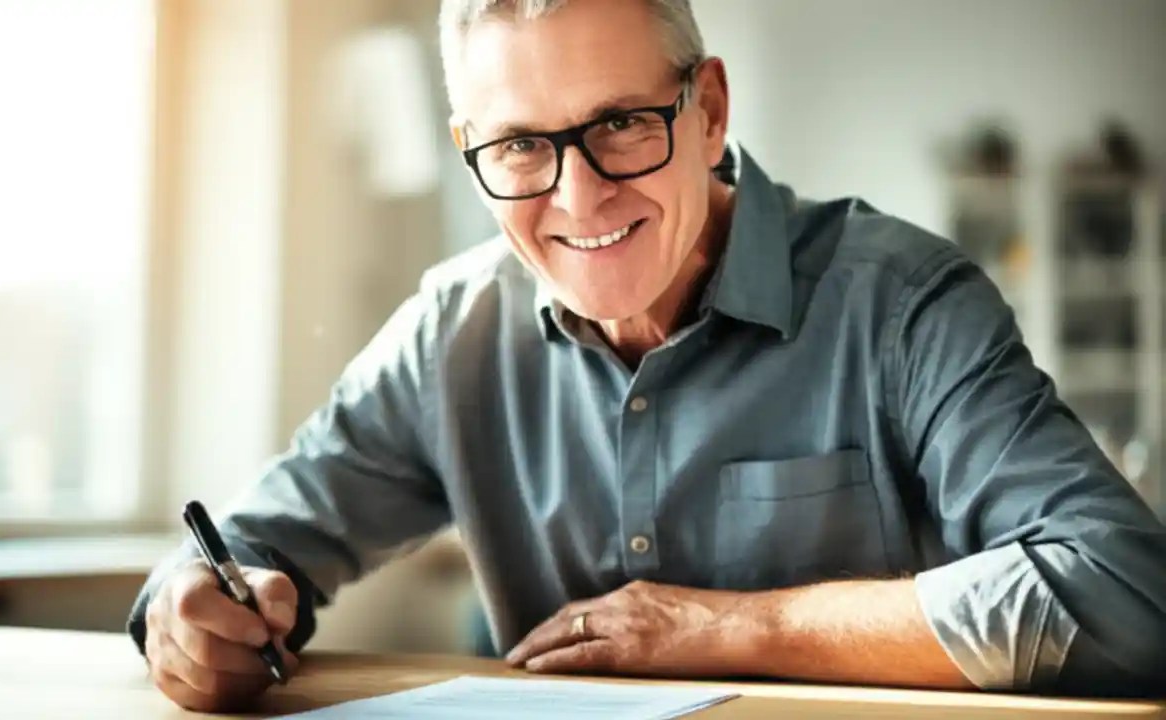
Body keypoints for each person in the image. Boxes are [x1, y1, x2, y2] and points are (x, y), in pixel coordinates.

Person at [129, 0, 1166, 711]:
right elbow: (243, 548)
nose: (577, 200)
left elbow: (1126, 598)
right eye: (521, 146)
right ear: (469, 152)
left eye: (621, 124)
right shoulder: (451, 332)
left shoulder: (901, 305)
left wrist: (726, 628)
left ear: (707, 111)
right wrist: (192, 616)